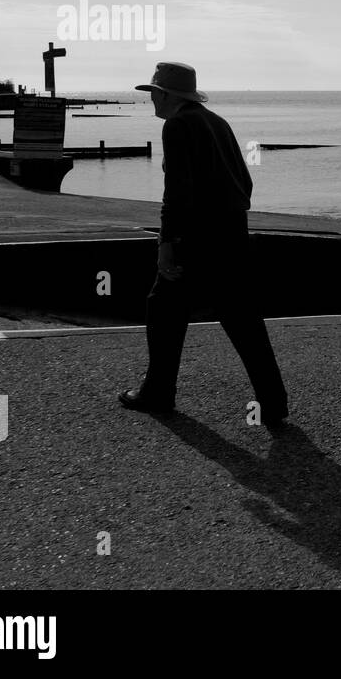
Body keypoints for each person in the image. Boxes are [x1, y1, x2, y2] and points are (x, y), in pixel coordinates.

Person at [118, 62, 289, 428]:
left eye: (153, 94)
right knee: (242, 316)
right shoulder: (217, 122)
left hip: (196, 235)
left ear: (165, 95)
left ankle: (158, 392)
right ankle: (273, 401)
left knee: (162, 306)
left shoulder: (177, 125)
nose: (152, 102)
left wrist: (167, 243)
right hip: (231, 231)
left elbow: (177, 192)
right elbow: (245, 182)